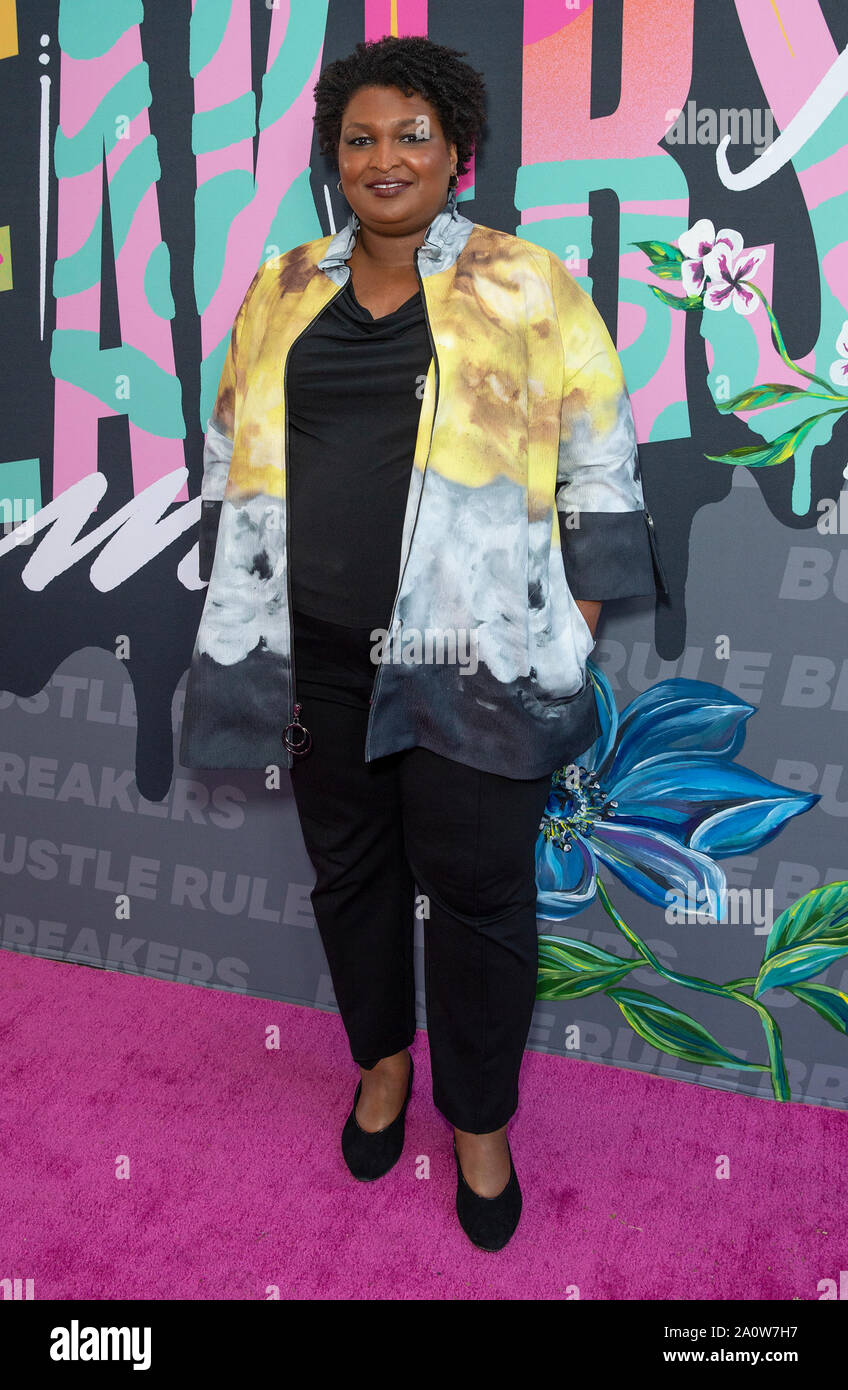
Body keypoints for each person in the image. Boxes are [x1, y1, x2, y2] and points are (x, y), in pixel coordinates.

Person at [180, 35, 668, 1251]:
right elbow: (227, 438)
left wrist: (567, 624)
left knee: (482, 898)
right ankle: (381, 1063)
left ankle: (482, 1120)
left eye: (411, 134)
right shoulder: (283, 284)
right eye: (359, 136)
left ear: (457, 155)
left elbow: (601, 454)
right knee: (349, 878)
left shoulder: (525, 282)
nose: (383, 156)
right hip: (318, 656)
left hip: (472, 665)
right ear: (331, 159)